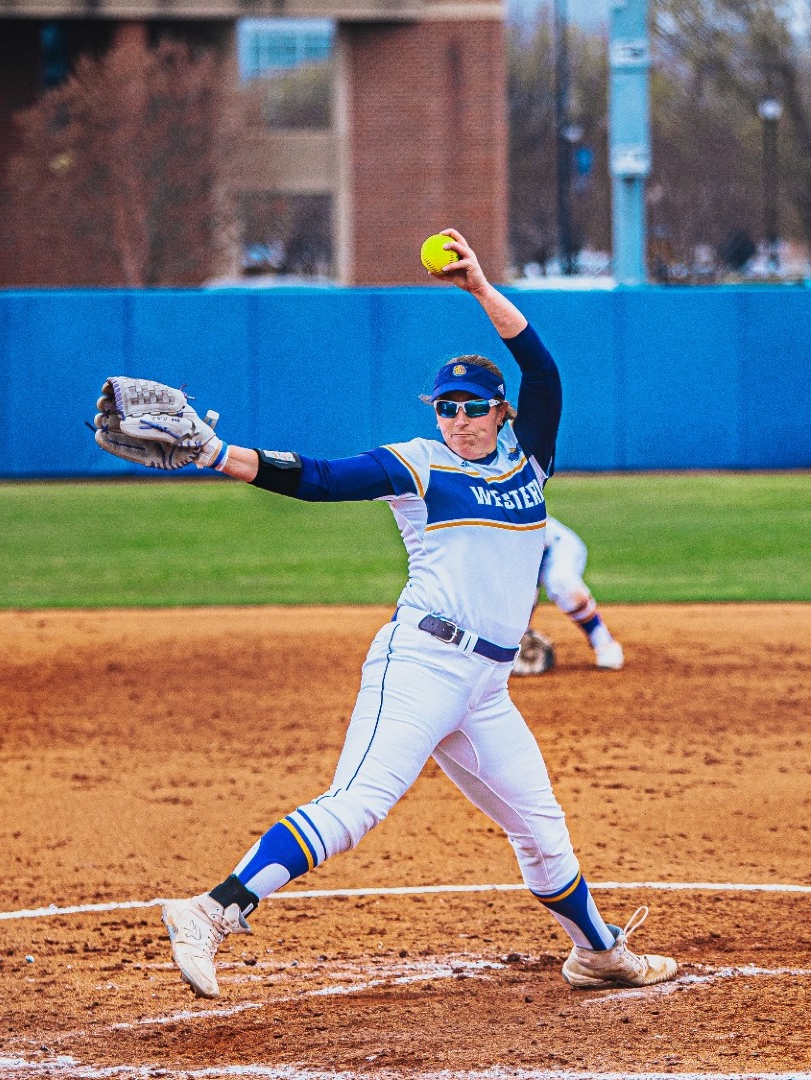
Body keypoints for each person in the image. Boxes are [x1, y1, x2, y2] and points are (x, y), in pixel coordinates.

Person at [96, 229, 678, 1000]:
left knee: (541, 827)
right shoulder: (418, 463)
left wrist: (477, 286)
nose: (458, 419)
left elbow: (542, 366)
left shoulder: (529, 460)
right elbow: (321, 477)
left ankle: (597, 952)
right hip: (422, 664)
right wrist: (217, 454)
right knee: (357, 805)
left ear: (501, 412)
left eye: (472, 407)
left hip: (488, 688)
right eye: (446, 407)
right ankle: (210, 912)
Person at [514, 517, 625, 675]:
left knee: (560, 582)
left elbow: (529, 575)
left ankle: (604, 643)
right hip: (527, 555)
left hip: (558, 547)